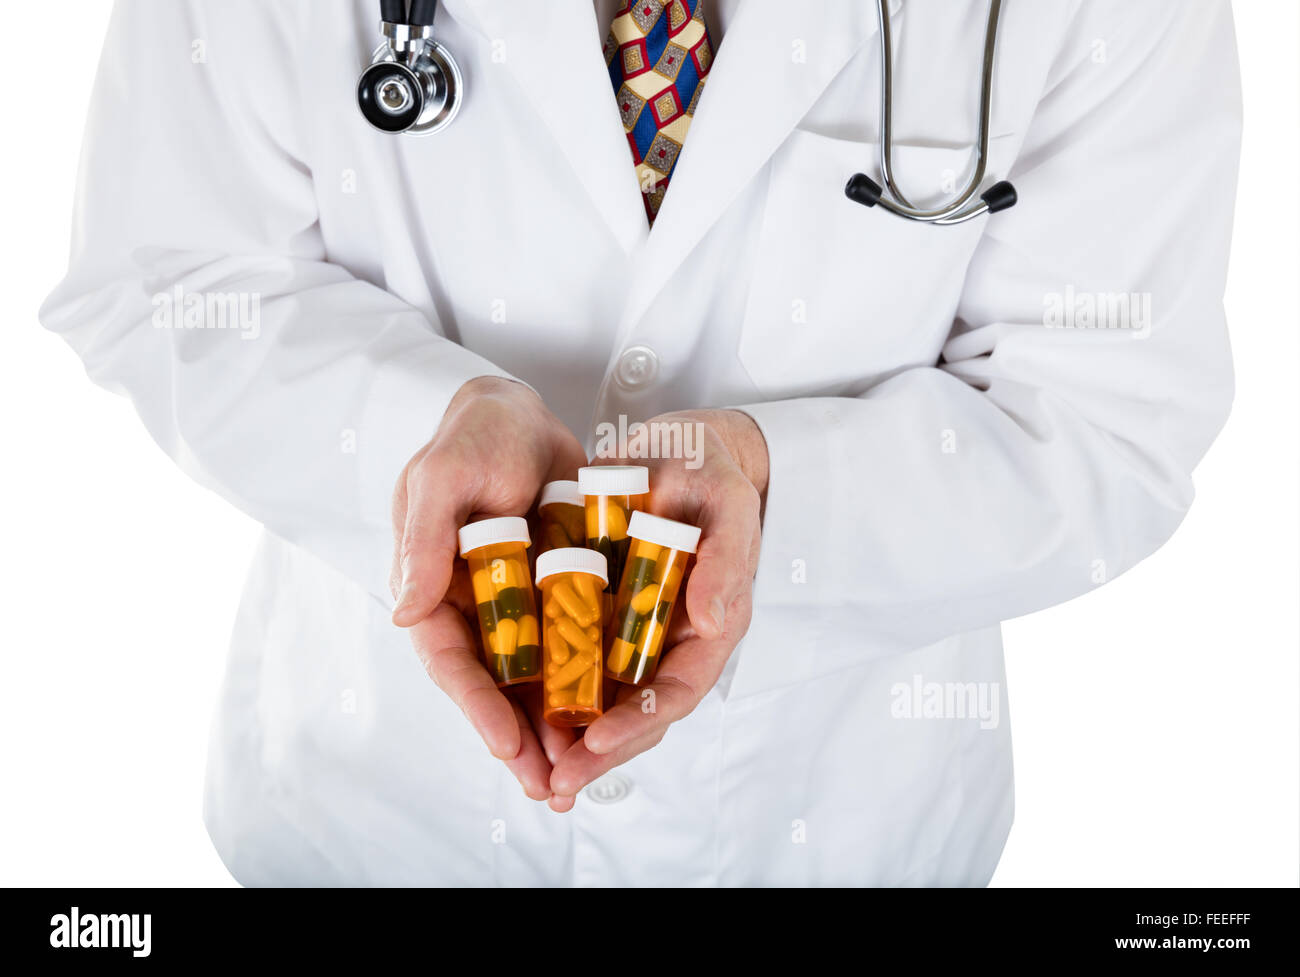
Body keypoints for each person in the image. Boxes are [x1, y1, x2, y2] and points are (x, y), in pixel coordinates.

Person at [41, 0, 1241, 885]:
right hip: (368, 817)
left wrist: (779, 494)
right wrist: (424, 433)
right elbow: (168, 272)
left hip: (842, 829)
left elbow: (1104, 410)